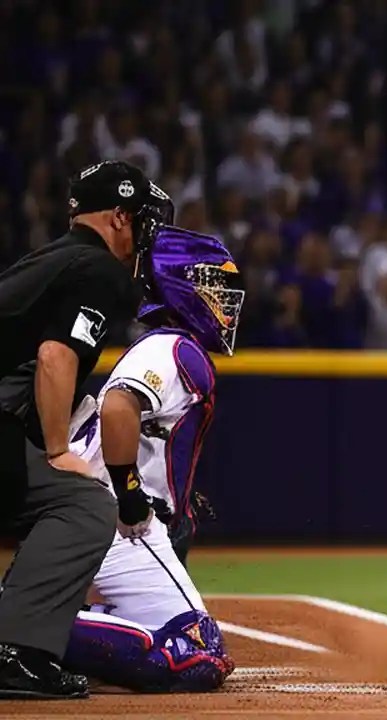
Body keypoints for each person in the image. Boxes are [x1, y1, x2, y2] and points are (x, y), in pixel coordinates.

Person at [0, 161, 172, 700]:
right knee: (83, 504)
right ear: (119, 217)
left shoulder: (51, 258)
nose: (147, 233)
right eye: (142, 219)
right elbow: (56, 355)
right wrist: (56, 450)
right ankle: (16, 652)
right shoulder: (98, 270)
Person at [59, 225, 242, 693]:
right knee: (195, 653)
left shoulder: (162, 345)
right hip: (115, 519)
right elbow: (120, 406)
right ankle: (27, 625)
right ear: (183, 287)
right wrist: (133, 498)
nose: (224, 302)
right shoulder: (175, 347)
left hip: (86, 511)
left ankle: (35, 619)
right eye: (213, 287)